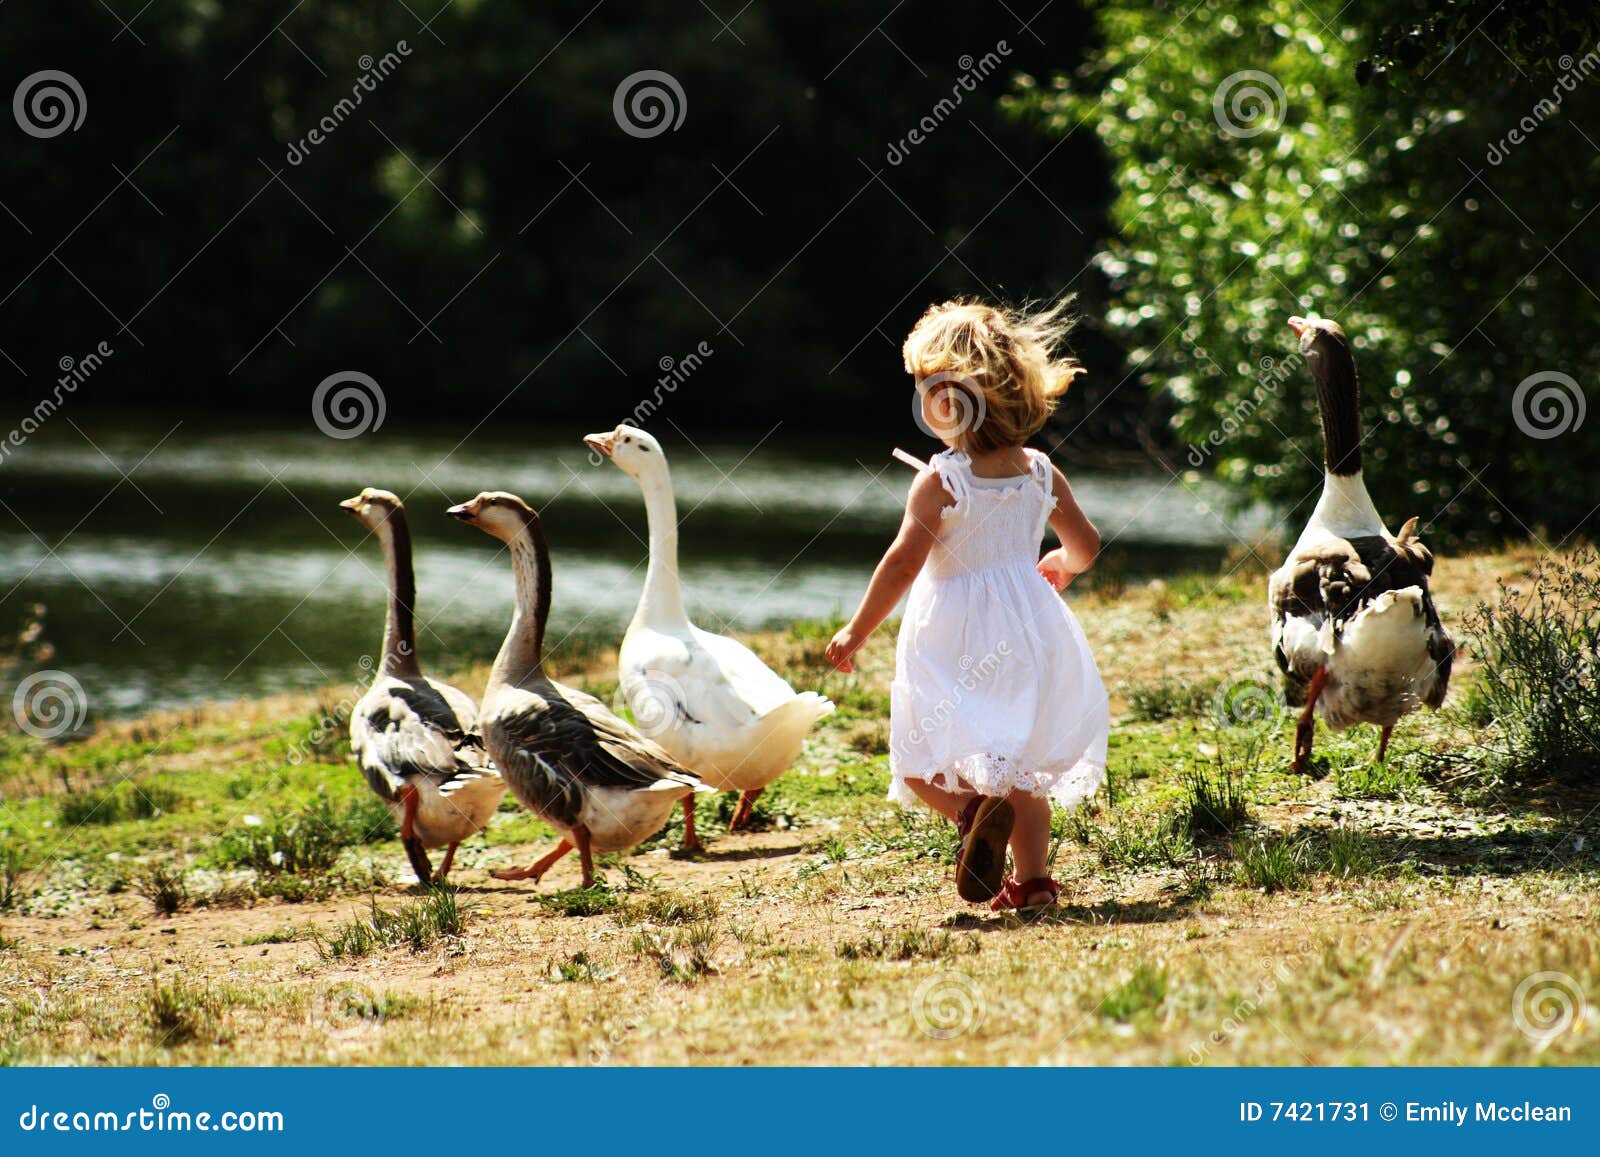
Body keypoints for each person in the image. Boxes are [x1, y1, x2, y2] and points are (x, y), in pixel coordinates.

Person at [825, 298, 1109, 912]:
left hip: (953, 631)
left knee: (916, 757)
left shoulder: (942, 480)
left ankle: (971, 809)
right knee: (1025, 767)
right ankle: (1034, 882)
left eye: (927, 387)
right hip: (1031, 625)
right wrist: (1060, 563)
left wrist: (857, 630)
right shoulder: (1039, 472)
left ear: (951, 402)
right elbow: (1085, 545)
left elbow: (903, 563)